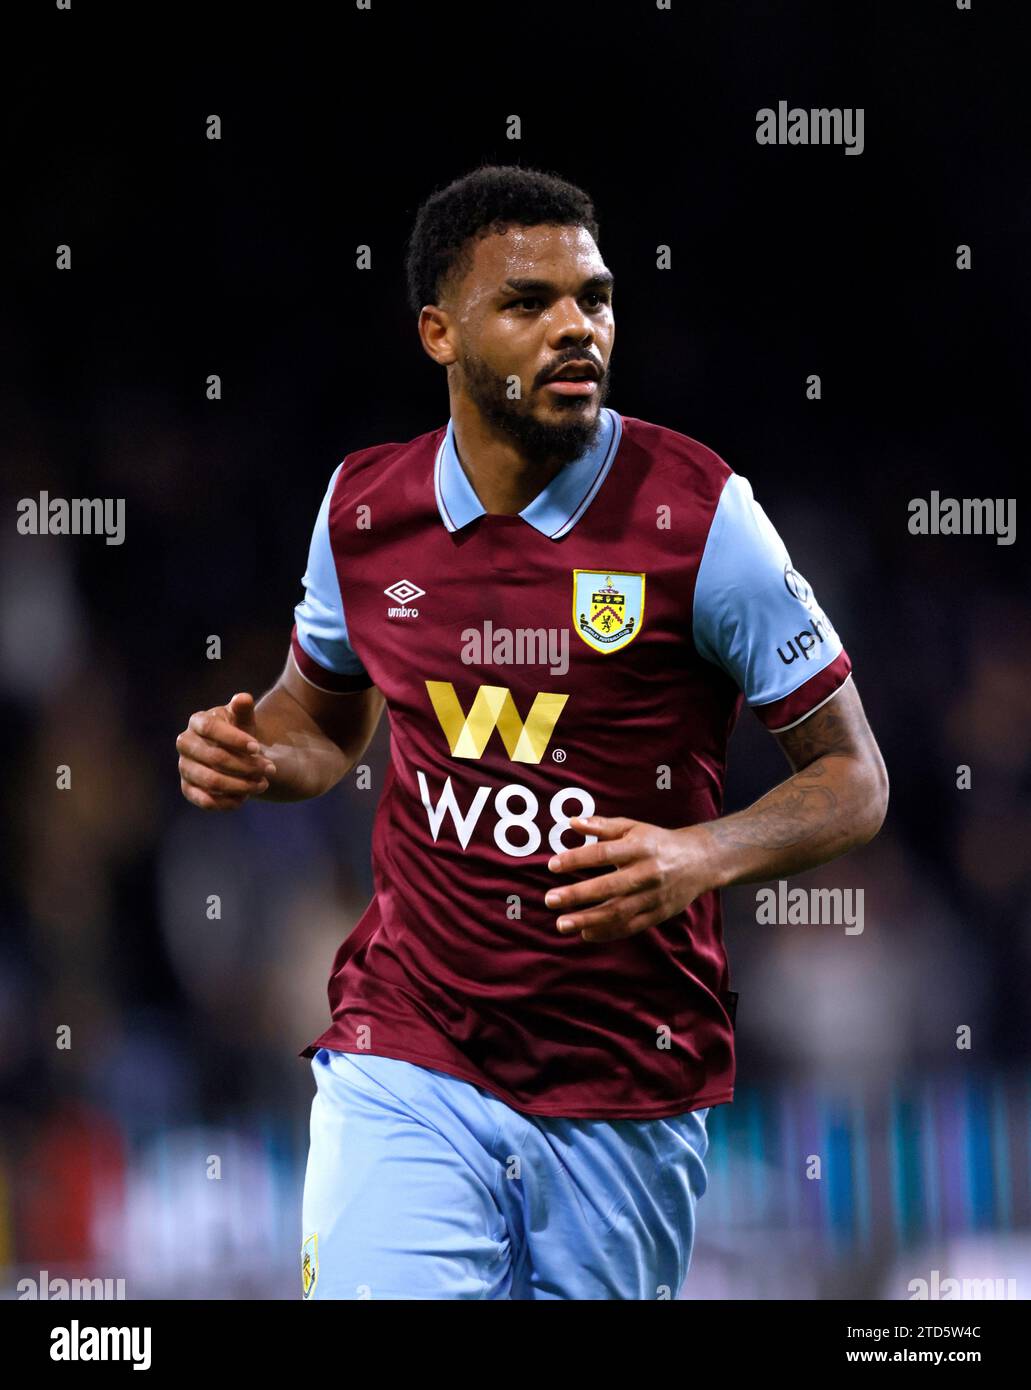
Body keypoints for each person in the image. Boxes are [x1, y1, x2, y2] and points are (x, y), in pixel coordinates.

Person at [175, 164, 889, 1299]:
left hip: (624, 1082)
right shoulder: (363, 513)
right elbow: (320, 717)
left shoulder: (700, 516)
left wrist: (698, 852)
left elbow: (853, 778)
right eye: (527, 302)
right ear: (438, 332)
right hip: (409, 1046)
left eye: (593, 298)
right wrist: (256, 755)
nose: (575, 328)